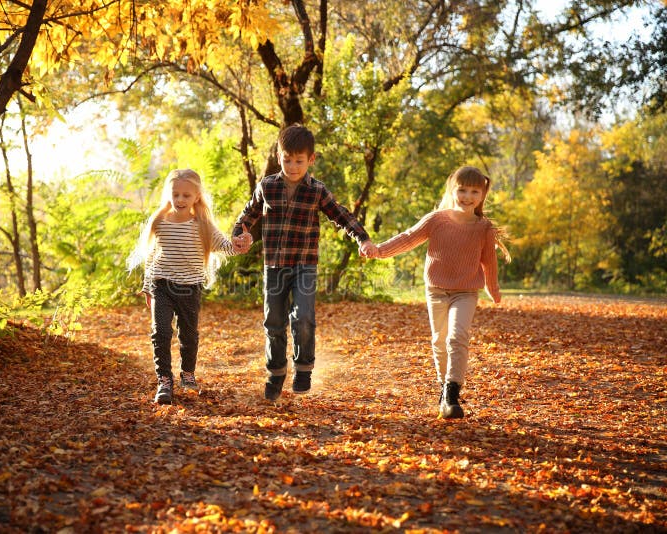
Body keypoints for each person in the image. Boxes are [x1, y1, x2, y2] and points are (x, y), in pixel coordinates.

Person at [232, 124, 378, 401]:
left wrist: (363, 239)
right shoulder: (267, 186)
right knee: (273, 322)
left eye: (299, 161)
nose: (293, 166)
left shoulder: (317, 191)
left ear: (311, 159)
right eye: (287, 159)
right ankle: (275, 373)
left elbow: (341, 215)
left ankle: (303, 368)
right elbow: (247, 215)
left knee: (303, 318)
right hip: (274, 265)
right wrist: (240, 234)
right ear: (279, 155)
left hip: (304, 266)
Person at [368, 165, 510, 419]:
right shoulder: (437, 220)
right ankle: (443, 387)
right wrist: (380, 250)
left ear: (482, 195)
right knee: (439, 340)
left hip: (465, 292)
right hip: (436, 289)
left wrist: (493, 288)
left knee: (457, 337)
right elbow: (408, 238)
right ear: (453, 190)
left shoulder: (483, 227)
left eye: (474, 192)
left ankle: (453, 394)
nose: (467, 197)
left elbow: (489, 260)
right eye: (462, 190)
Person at [128, 169, 247, 404]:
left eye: (186, 195)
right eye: (176, 194)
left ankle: (188, 373)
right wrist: (147, 287)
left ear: (197, 197)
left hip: (190, 288)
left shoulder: (202, 224)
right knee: (160, 332)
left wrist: (240, 244)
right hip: (161, 285)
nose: (180, 200)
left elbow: (226, 247)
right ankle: (164, 380)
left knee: (189, 335)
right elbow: (151, 256)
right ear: (169, 194)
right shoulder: (160, 220)